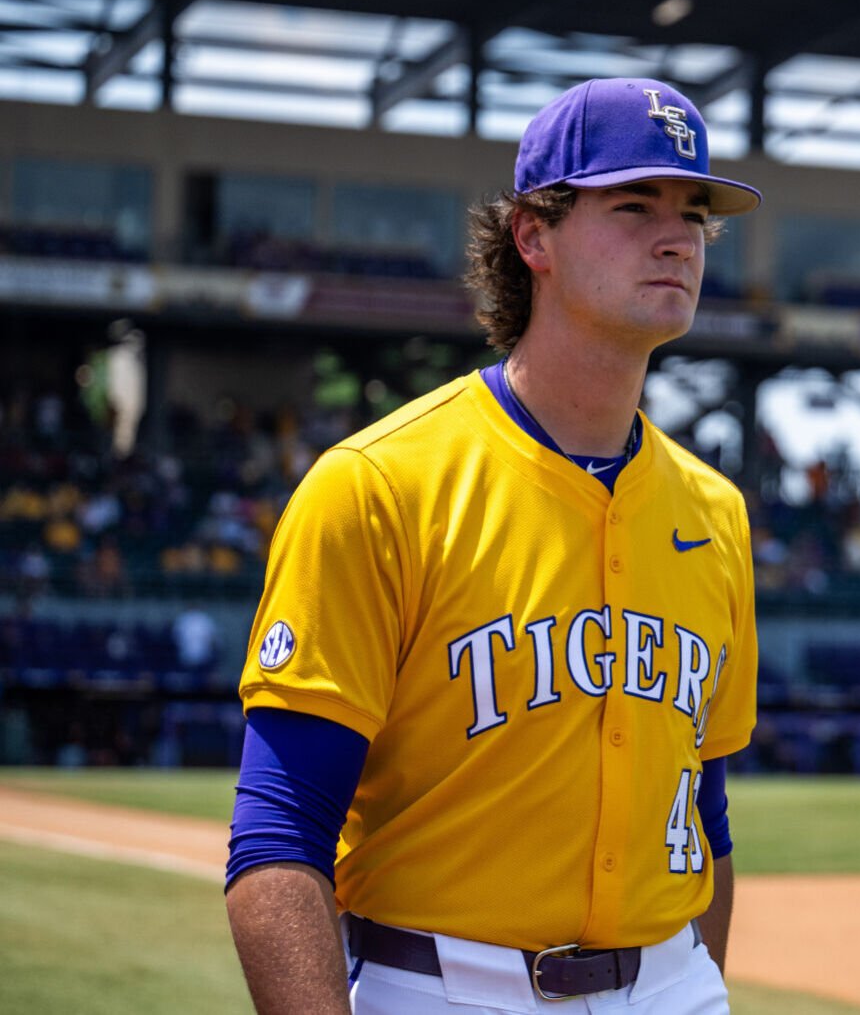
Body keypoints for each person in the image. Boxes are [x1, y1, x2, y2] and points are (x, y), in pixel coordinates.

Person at [224, 78, 763, 1014]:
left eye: (693, 214)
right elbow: (278, 836)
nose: (677, 239)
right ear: (532, 237)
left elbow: (704, 819)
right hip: (443, 986)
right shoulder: (379, 486)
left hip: (672, 983)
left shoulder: (715, 511)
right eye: (633, 206)